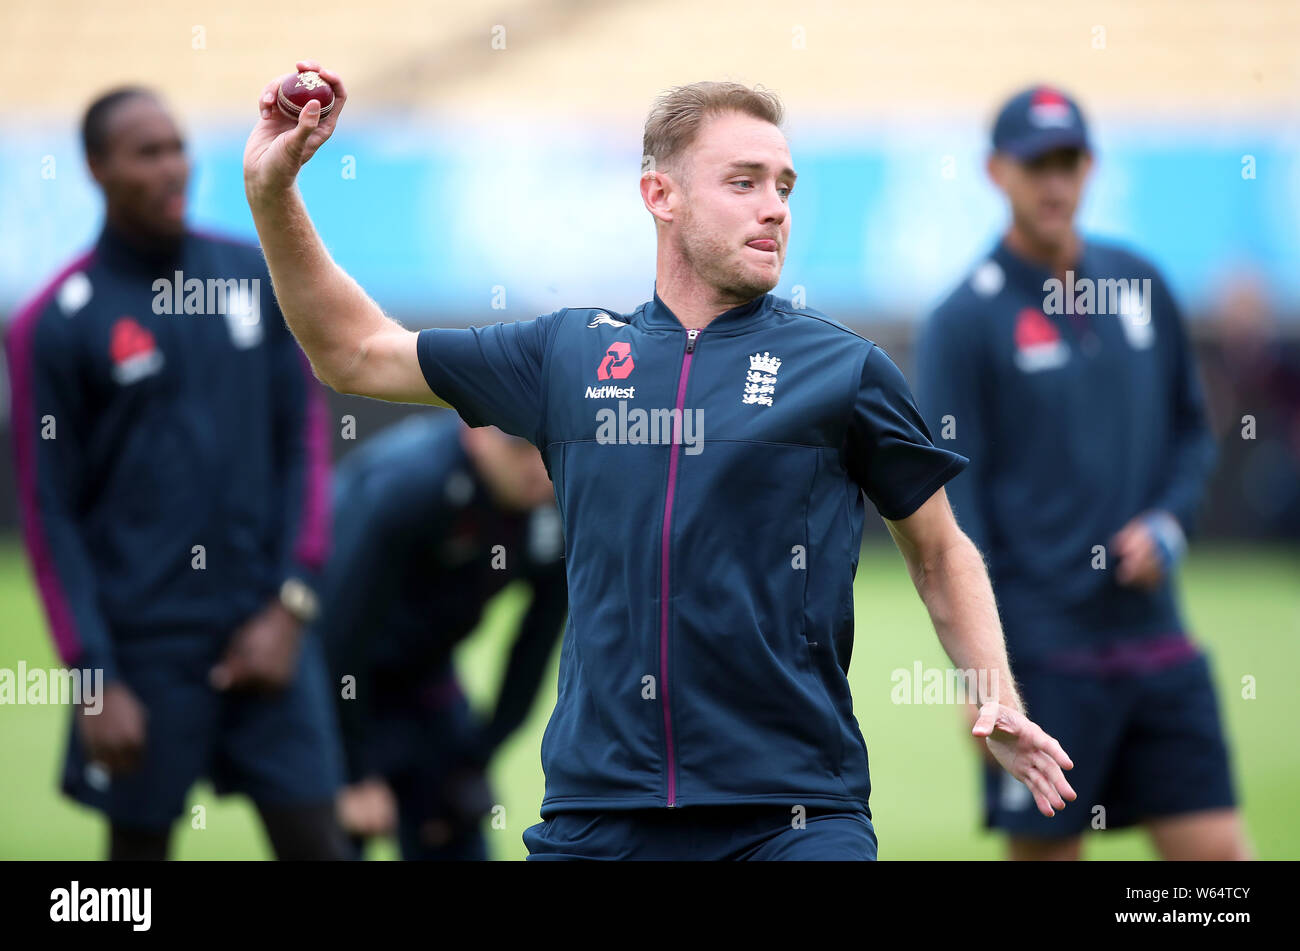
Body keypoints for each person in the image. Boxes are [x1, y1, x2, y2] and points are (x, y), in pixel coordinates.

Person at [242, 61, 1075, 861]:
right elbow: (352, 351)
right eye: (744, 182)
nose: (775, 207)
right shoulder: (565, 354)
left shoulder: (845, 369)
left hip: (793, 815)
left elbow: (939, 549)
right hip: (598, 817)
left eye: (785, 186)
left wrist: (993, 689)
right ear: (660, 195)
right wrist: (272, 192)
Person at [5, 86, 348, 860]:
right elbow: (47, 510)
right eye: (145, 152)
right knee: (133, 876)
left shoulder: (250, 274)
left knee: (322, 846)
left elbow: (302, 440)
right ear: (97, 168)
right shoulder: (55, 322)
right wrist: (93, 676)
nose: (171, 167)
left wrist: (291, 605)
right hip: (142, 655)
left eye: (177, 146)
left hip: (269, 633)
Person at [916, 85, 1251, 860]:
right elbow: (955, 515)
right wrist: (986, 681)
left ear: (1091, 166)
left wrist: (1169, 521)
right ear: (996, 171)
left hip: (1159, 644)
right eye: (1036, 165)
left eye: (1068, 161)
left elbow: (1191, 433)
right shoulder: (963, 320)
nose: (1054, 182)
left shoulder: (1141, 282)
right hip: (1043, 660)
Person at [318, 413, 566, 860]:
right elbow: (338, 631)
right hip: (337, 680)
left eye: (545, 450)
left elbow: (535, 649)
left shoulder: (559, 503)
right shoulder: (410, 484)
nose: (537, 467)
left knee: (457, 824)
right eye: (519, 449)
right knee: (334, 837)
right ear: (475, 436)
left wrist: (478, 756)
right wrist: (350, 772)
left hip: (427, 680)